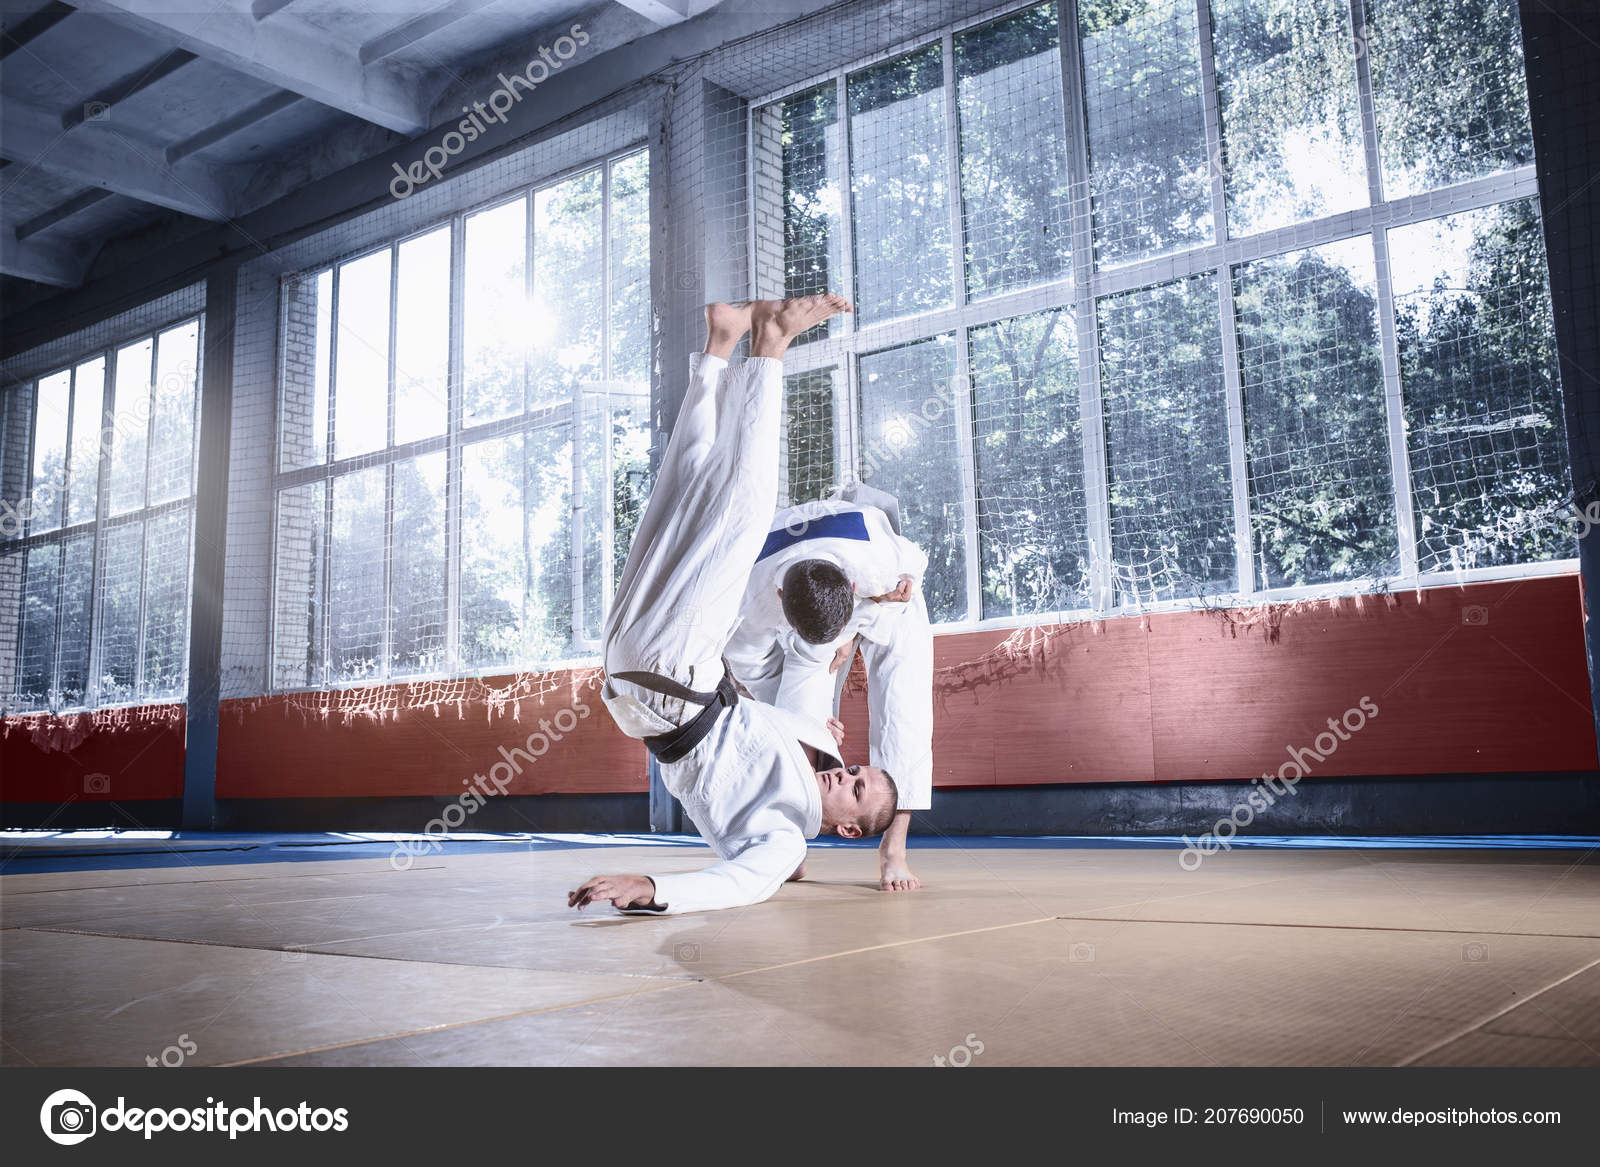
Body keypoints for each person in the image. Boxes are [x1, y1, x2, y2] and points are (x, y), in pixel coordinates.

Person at [569, 296, 899, 915]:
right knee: (678, 495)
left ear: (848, 829)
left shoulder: (780, 836)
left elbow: (740, 883)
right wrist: (811, 719)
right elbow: (770, 707)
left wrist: (653, 888)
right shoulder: (802, 751)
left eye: (856, 790)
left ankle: (769, 345)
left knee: (740, 515)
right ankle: (720, 347)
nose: (845, 774)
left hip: (664, 676)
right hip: (650, 669)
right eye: (858, 769)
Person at [724, 488, 933, 892]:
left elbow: (914, 566)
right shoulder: (745, 603)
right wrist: (808, 732)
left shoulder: (879, 561)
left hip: (882, 598)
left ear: (851, 586)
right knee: (796, 724)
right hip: (807, 613)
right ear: (781, 598)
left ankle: (894, 851)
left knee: (905, 707)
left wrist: (878, 598)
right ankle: (785, 842)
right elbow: (760, 678)